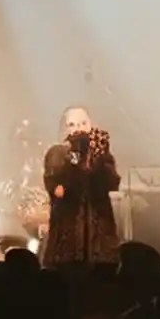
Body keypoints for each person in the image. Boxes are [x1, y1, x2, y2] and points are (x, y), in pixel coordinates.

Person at [41, 106, 120, 268]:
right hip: (68, 242)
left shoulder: (100, 154)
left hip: (99, 243)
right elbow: (58, 189)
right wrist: (75, 160)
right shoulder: (57, 154)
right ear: (63, 130)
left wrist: (99, 158)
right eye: (72, 125)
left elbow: (111, 182)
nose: (78, 129)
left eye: (83, 123)